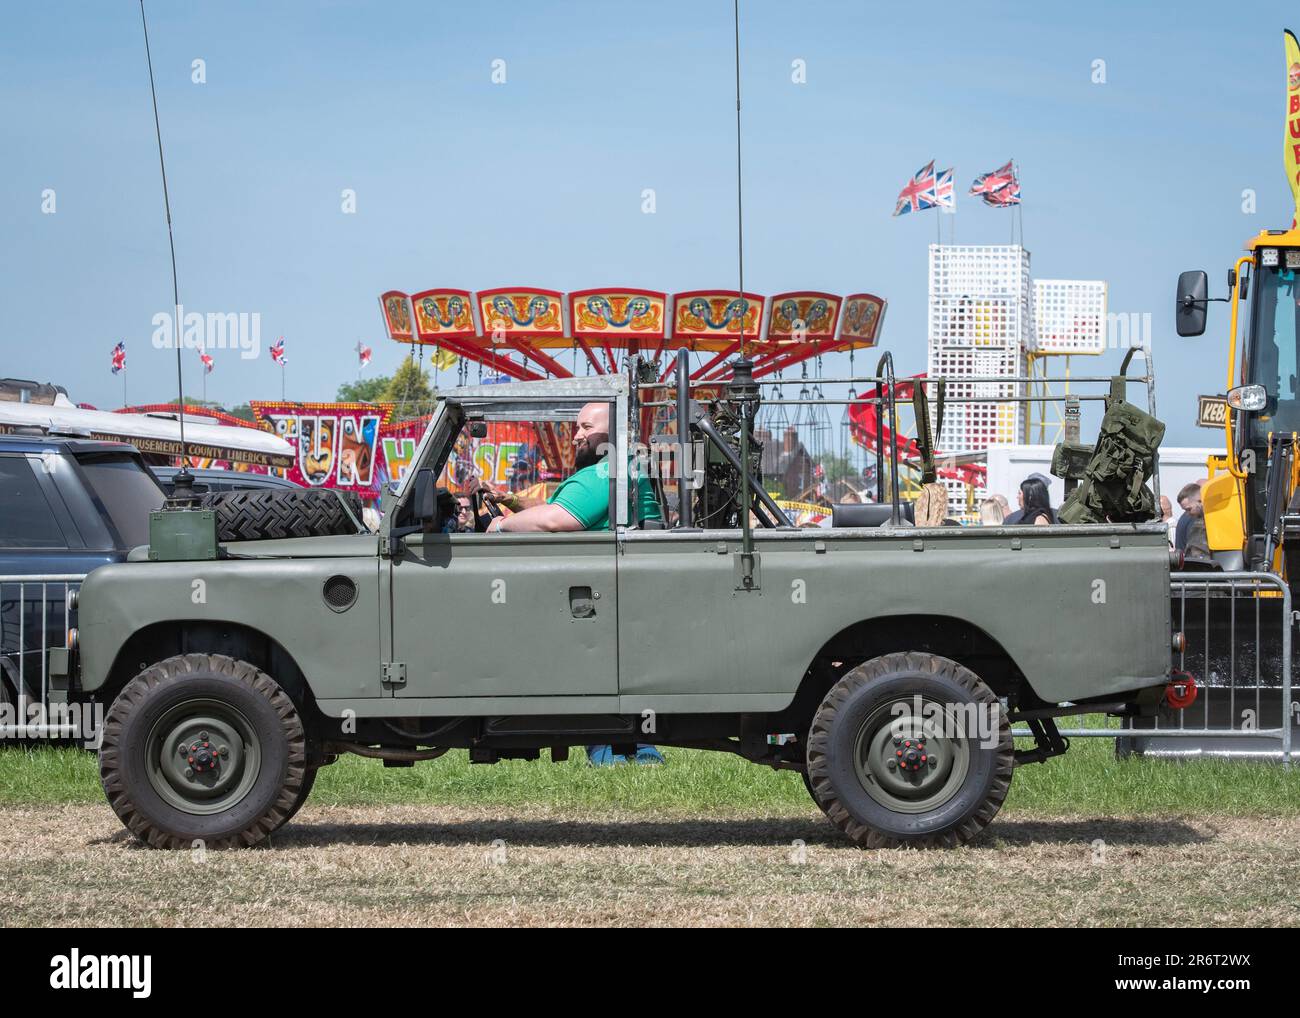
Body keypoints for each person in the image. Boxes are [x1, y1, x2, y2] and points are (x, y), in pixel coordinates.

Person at [482, 402, 661, 532]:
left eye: (587, 427)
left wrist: (499, 525)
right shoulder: (614, 467)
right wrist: (509, 499)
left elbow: (553, 519)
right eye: (577, 427)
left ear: (615, 431)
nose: (576, 436)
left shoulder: (606, 472)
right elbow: (549, 508)